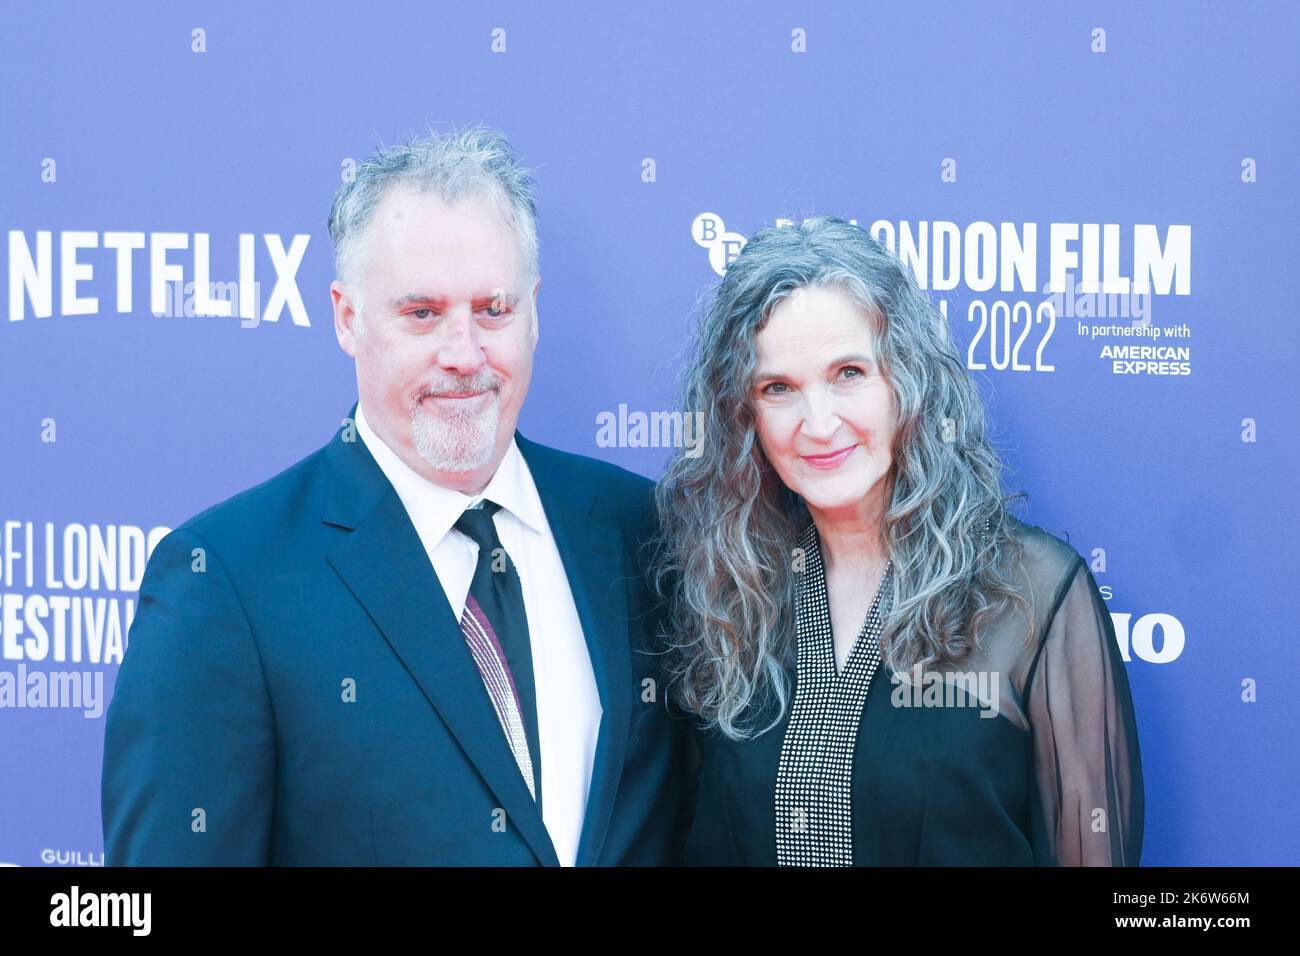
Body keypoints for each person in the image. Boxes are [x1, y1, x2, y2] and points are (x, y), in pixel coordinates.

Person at [101, 124, 694, 866]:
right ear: (348, 317)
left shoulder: (642, 531)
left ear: (534, 310)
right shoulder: (224, 583)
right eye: (422, 313)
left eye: (493, 310)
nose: (464, 354)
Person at [652, 216, 1144, 866]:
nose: (819, 423)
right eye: (779, 388)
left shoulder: (1030, 595)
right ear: (742, 415)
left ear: (907, 381)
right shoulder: (724, 592)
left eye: (849, 373)